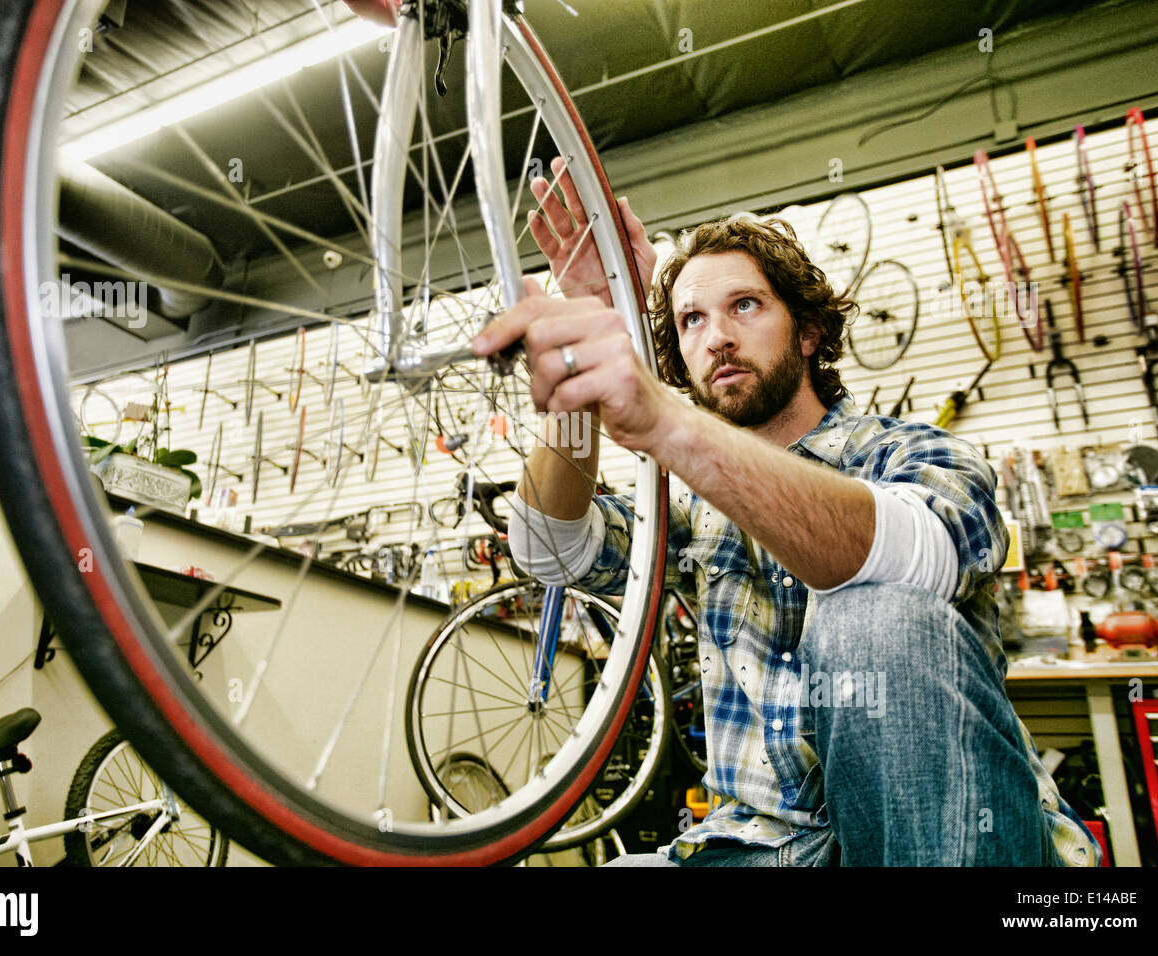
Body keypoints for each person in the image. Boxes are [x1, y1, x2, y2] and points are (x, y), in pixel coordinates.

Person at [469, 159, 1102, 867]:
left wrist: (670, 426)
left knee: (875, 614)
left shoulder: (913, 453)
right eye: (690, 320)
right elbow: (548, 549)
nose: (717, 339)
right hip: (759, 846)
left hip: (935, 834)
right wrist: (574, 382)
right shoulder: (693, 508)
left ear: (806, 331)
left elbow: (910, 554)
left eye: (745, 305)